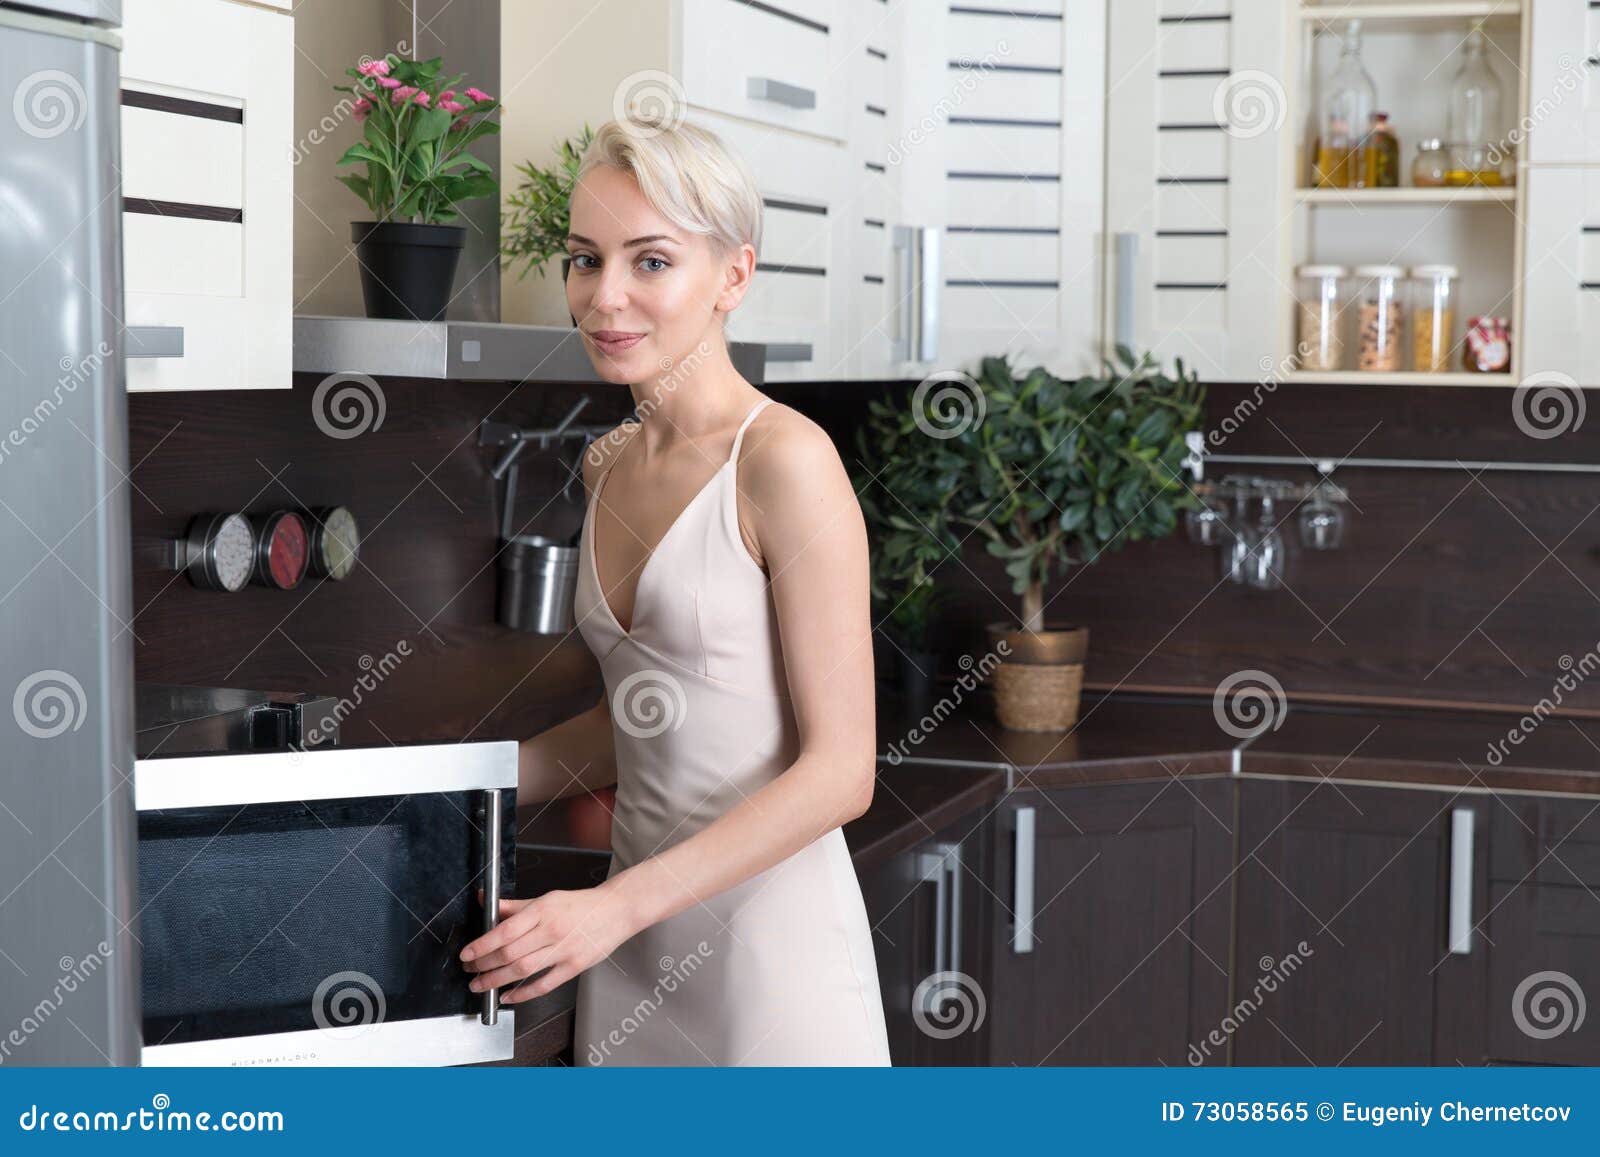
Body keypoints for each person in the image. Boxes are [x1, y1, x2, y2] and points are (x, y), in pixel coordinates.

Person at [458, 115, 890, 1066]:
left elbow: (842, 770)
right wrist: (458, 782)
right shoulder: (607, 463)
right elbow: (656, 716)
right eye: (584, 259)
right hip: (634, 966)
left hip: (773, 970)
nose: (604, 297)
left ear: (732, 276)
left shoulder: (784, 460)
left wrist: (612, 907)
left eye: (650, 262)